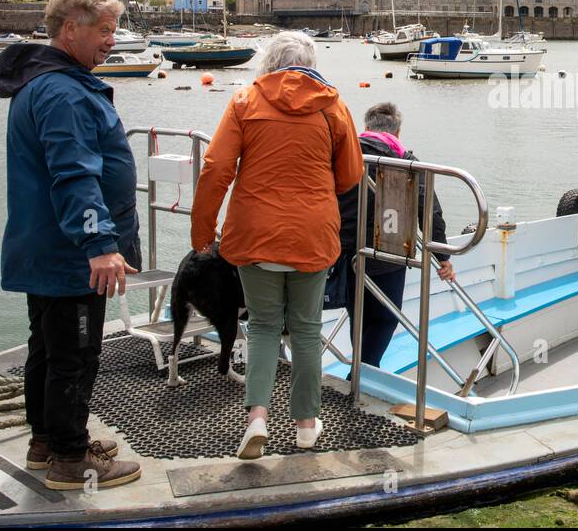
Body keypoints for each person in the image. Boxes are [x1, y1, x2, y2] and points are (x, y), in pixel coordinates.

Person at [0, 0, 142, 491]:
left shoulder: (47, 84)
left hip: (48, 249)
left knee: (48, 350)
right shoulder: (63, 92)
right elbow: (74, 174)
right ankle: (72, 462)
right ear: (68, 29)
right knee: (75, 356)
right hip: (70, 255)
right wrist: (100, 245)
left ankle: (47, 442)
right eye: (103, 31)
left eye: (114, 32)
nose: (111, 42)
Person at [190, 31, 363, 460]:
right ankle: (306, 425)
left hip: (255, 233)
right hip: (312, 234)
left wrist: (201, 233)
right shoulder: (333, 105)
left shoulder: (246, 100)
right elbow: (350, 175)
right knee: (306, 328)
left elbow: (216, 168)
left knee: (265, 325)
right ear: (312, 63)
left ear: (268, 63)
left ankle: (257, 420)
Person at [334, 102, 455, 370]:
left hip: (343, 255)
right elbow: (430, 213)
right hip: (387, 253)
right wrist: (442, 256)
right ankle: (362, 374)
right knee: (386, 319)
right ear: (398, 132)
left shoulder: (343, 154)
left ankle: (361, 373)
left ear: (365, 128)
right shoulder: (406, 162)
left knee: (359, 317)